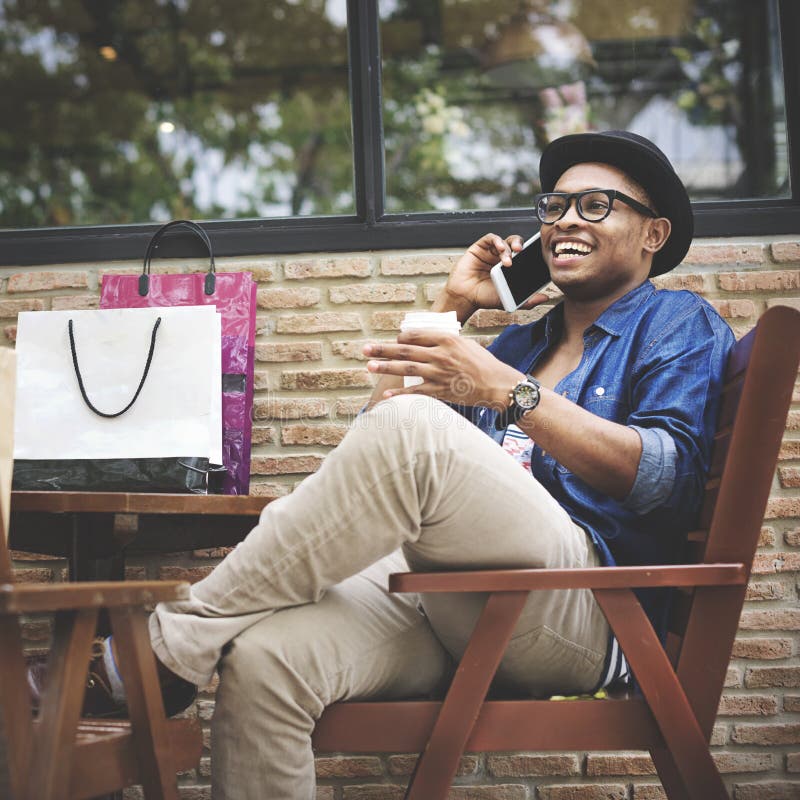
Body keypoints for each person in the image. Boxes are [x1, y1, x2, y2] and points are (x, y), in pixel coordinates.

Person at [29, 131, 735, 800]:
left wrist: (505, 393)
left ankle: (167, 649)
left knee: (416, 428)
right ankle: (178, 653)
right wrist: (453, 304)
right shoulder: (520, 346)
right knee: (266, 661)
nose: (564, 221)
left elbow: (664, 478)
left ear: (654, 234)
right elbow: (379, 447)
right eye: (553, 206)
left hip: (583, 609)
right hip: (455, 602)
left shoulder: (674, 323)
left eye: (595, 205)